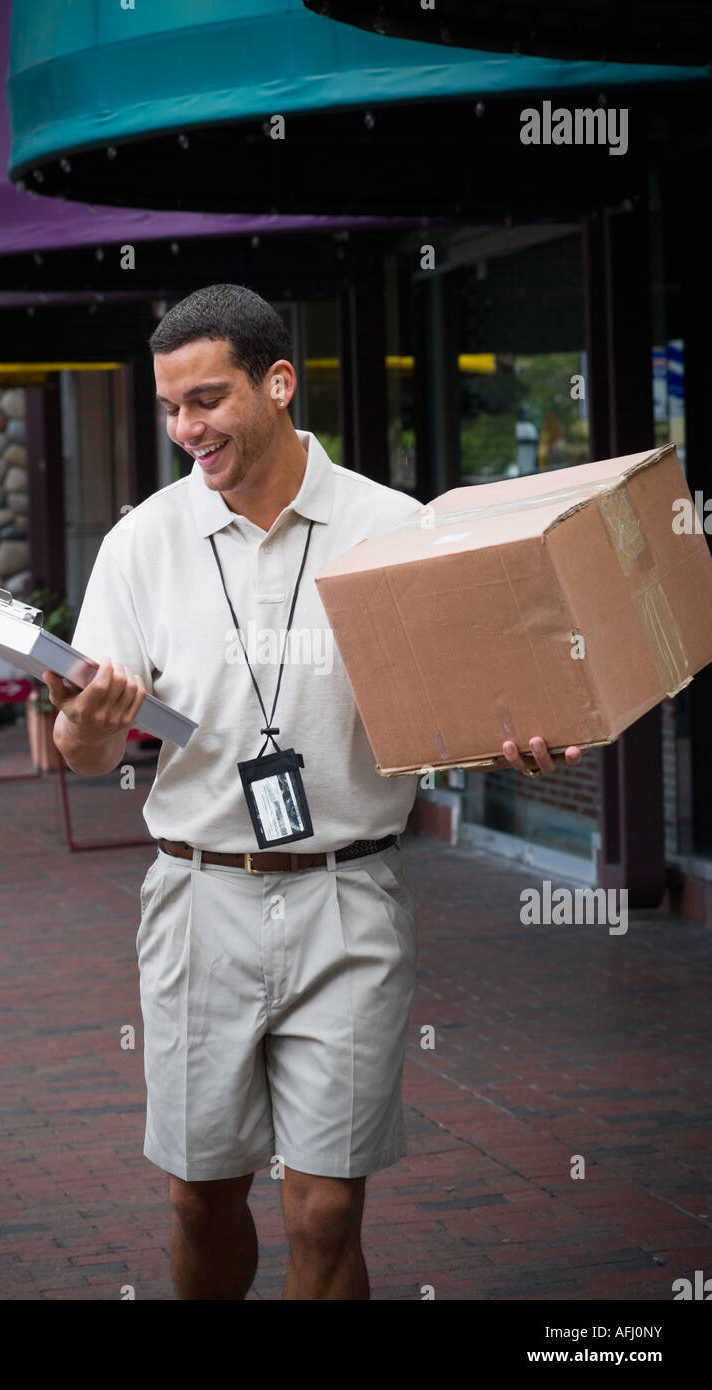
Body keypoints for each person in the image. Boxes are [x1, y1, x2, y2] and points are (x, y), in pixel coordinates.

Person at [44, 284, 582, 1301]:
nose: (183, 430)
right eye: (167, 408)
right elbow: (78, 750)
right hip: (197, 898)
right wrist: (87, 725)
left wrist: (516, 738)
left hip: (348, 894)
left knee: (325, 1205)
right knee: (200, 1195)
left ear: (278, 383)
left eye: (204, 400)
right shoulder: (141, 544)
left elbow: (471, 704)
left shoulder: (392, 529)